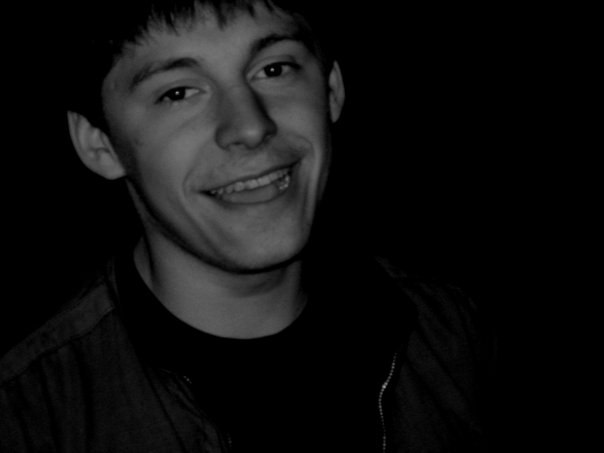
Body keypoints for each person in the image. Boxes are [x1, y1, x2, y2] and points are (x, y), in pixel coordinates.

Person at [0, 0, 496, 451]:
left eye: (274, 69)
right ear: (100, 144)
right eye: (178, 93)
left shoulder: (456, 332)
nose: (251, 126)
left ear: (331, 90)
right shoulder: (31, 412)